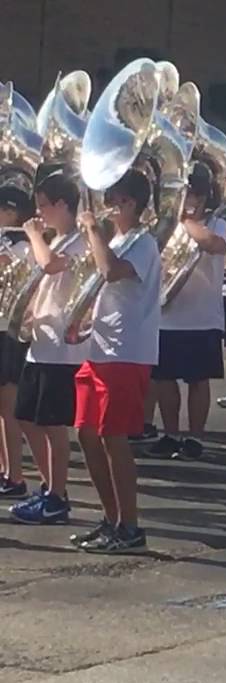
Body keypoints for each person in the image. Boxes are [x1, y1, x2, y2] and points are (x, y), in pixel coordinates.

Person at [71, 169, 161, 553]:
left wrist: (92, 230)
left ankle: (130, 526)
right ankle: (111, 519)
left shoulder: (142, 242)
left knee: (113, 437)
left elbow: (110, 272)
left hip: (127, 353)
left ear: (129, 203)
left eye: (114, 200)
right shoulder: (122, 238)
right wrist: (82, 321)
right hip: (101, 349)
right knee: (86, 433)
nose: (107, 207)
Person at [8, 174, 88, 522]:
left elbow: (49, 265)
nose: (39, 212)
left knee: (55, 427)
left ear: (62, 205)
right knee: (25, 417)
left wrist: (33, 236)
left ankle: (57, 496)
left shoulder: (78, 242)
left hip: (61, 349)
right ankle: (49, 487)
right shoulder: (59, 240)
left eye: (43, 205)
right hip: (39, 343)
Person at [146, 167, 226, 461]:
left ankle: (195, 437)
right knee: (164, 380)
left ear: (206, 197)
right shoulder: (164, 227)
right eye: (184, 194)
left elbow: (213, 245)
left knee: (198, 380)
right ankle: (170, 434)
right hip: (167, 315)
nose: (189, 200)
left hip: (203, 318)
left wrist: (184, 219)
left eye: (193, 195)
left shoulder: (217, 224)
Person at [0, 186, 34, 497]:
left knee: (7, 409)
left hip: (8, 333)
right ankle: (5, 471)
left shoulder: (20, 247)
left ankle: (16, 476)